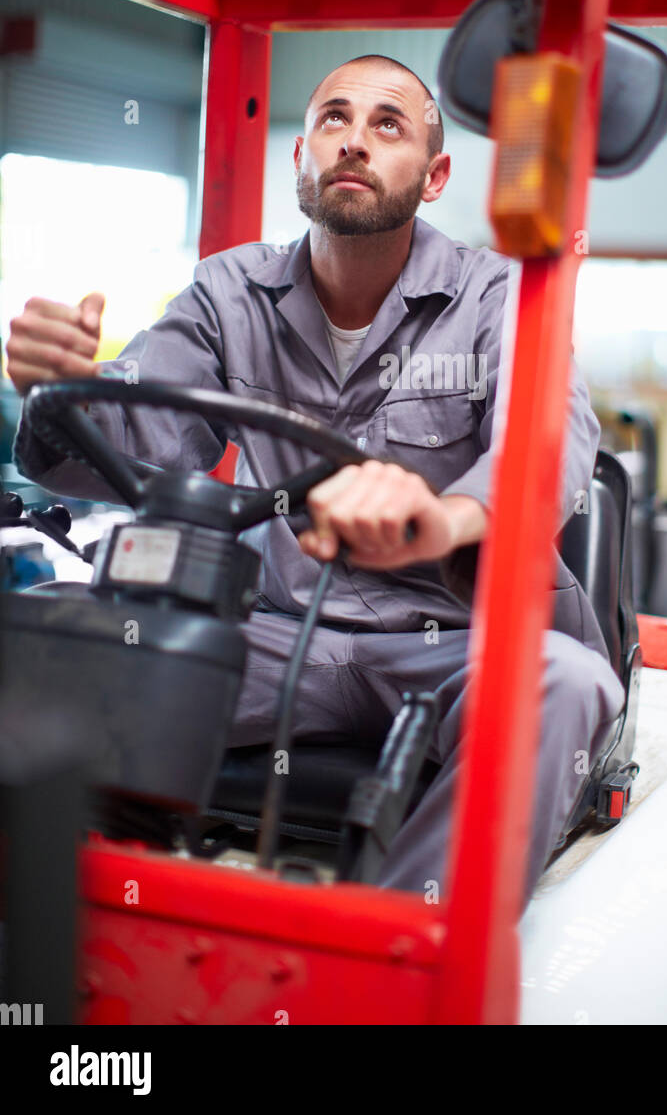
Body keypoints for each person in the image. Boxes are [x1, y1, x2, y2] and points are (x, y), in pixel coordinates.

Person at [7, 53, 625, 906]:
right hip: (276, 628)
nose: (355, 144)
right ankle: (71, 924)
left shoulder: (500, 297)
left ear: (435, 175)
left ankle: (403, 964)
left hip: (450, 640)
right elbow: (136, 445)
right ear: (302, 154)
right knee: (36, 640)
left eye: (387, 125)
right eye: (334, 120)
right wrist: (55, 392)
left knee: (568, 682)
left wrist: (441, 519)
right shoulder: (230, 293)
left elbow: (546, 446)